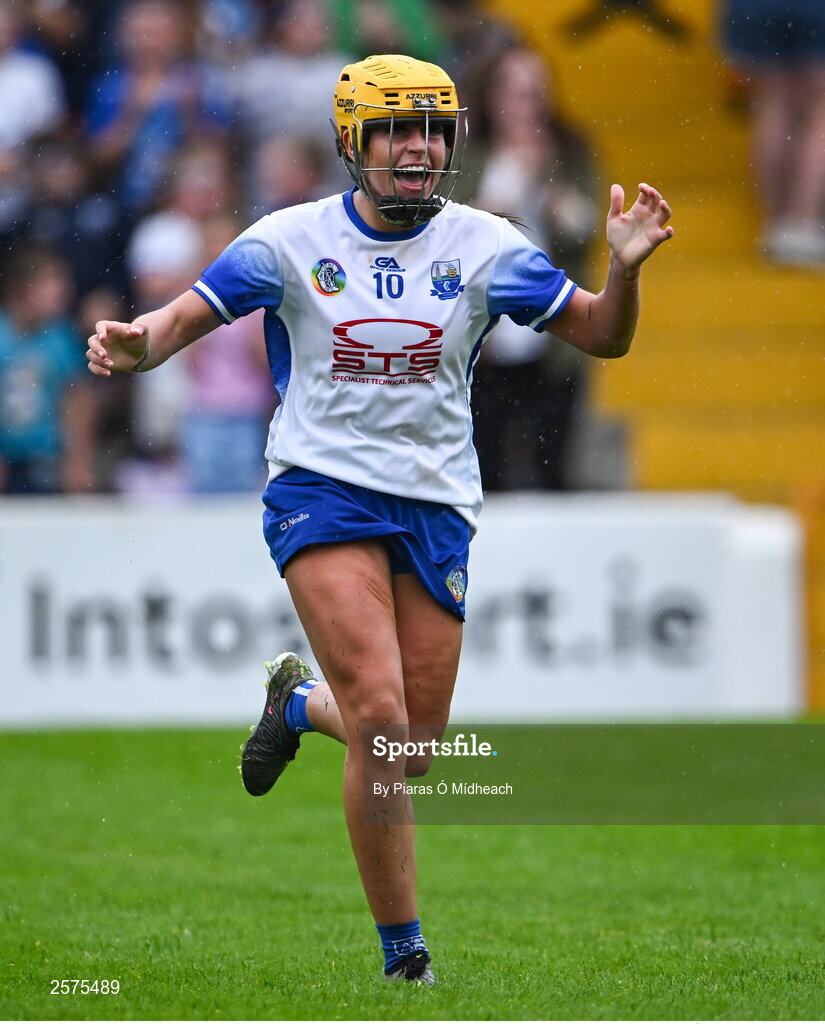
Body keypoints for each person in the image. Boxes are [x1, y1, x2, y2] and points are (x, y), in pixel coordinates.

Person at [86, 54, 673, 983]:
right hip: (320, 489)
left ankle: (293, 703)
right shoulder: (287, 240)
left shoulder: (485, 244)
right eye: (398, 129)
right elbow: (180, 318)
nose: (420, 147)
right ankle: (406, 961)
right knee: (383, 714)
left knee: (412, 748)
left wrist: (624, 269)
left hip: (436, 502)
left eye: (434, 129)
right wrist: (137, 343)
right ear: (352, 143)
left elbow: (604, 334)